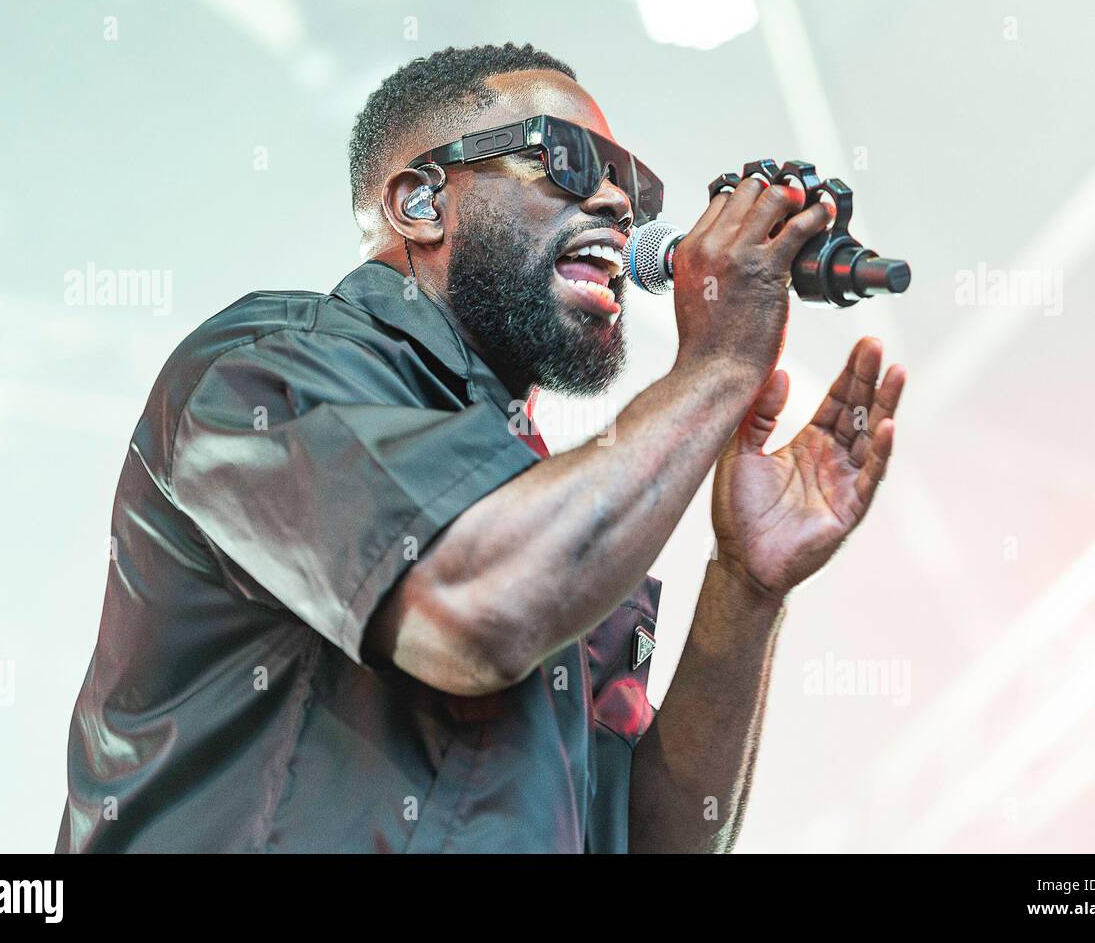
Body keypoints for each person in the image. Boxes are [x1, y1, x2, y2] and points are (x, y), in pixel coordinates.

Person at [56, 43, 906, 854]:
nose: (619, 206)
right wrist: (719, 366)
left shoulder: (558, 529)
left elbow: (643, 840)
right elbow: (474, 615)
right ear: (420, 202)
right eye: (570, 163)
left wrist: (746, 590)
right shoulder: (267, 368)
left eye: (634, 190)